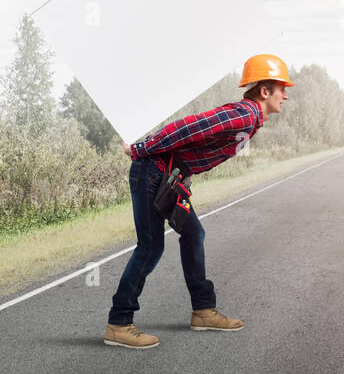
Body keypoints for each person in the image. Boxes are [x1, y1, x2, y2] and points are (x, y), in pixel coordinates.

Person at [103, 54, 293, 349]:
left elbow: (198, 149)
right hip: (151, 170)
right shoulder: (244, 114)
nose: (286, 94)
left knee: (194, 234)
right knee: (150, 247)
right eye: (282, 88)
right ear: (265, 91)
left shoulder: (253, 120)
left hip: (168, 177)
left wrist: (183, 179)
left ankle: (203, 311)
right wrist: (141, 149)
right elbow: (188, 128)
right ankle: (119, 323)